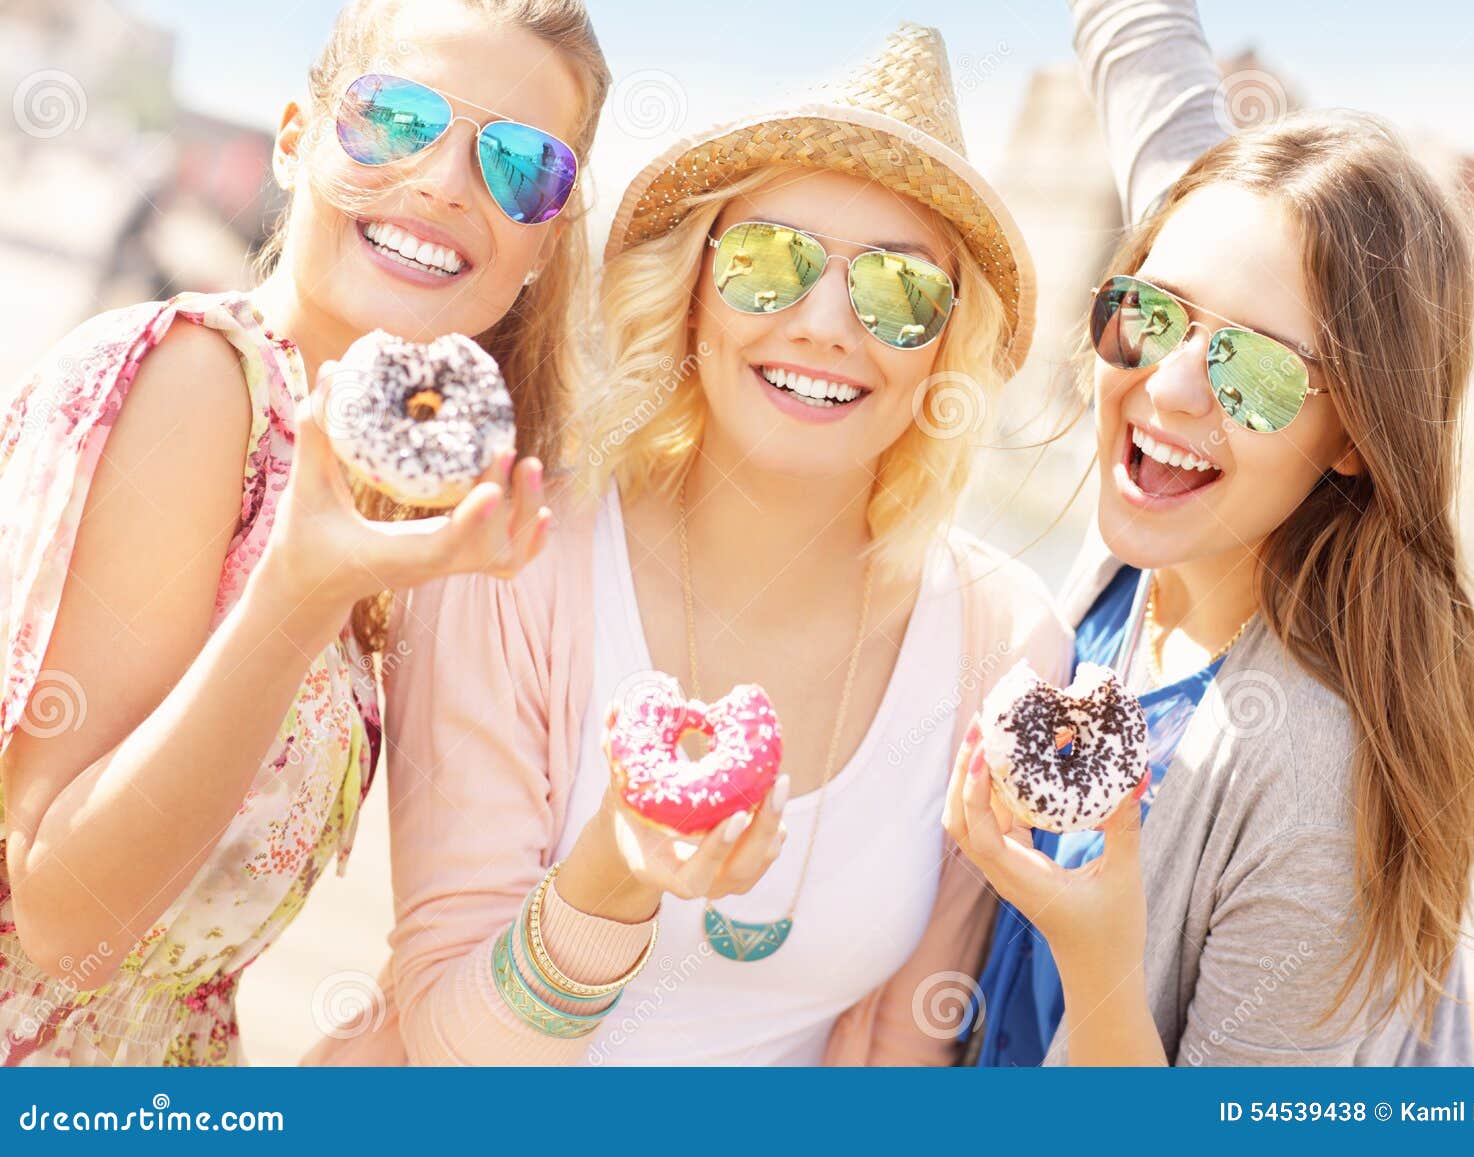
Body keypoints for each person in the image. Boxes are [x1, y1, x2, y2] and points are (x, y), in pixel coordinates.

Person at [307, 22, 1068, 1066]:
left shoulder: (1003, 640)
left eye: (900, 290)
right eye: (769, 263)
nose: (825, 324)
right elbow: (447, 1041)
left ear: (947, 343)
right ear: (693, 290)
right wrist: (615, 872)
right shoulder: (510, 560)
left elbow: (905, 1042)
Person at [0, 0, 608, 1065]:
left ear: (544, 242)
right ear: (296, 139)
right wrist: (295, 595)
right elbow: (62, 918)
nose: (445, 182)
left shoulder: (386, 491)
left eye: (519, 164)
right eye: (397, 118)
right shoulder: (191, 379)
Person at [945, 0, 1474, 1066]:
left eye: (1257, 371)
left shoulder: (1312, 785)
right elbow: (1146, 57)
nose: (1170, 385)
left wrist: (1098, 964)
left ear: (1359, 435)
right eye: (1154, 314)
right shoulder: (1219, 270)